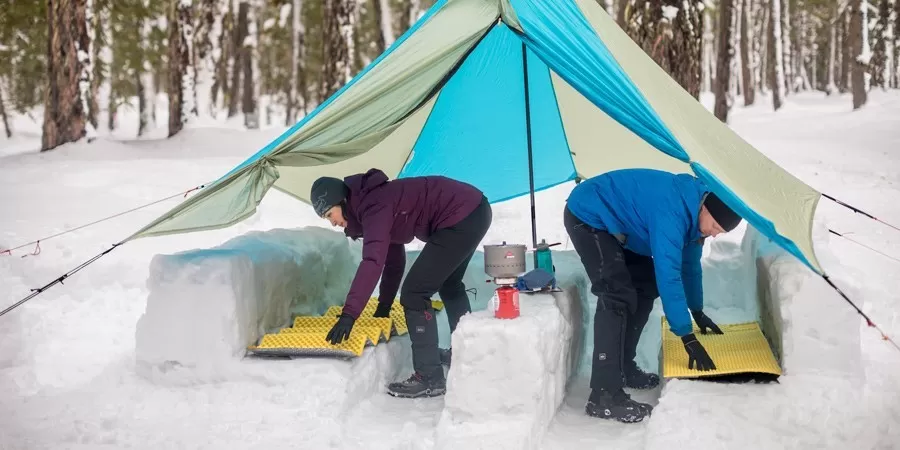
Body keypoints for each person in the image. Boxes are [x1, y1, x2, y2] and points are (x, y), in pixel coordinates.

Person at [563, 168, 742, 423]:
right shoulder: (673, 214)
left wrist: (697, 311)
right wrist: (686, 336)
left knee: (646, 284)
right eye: (715, 226)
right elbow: (669, 274)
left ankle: (623, 366)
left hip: (623, 222)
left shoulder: (694, 220)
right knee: (616, 294)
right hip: (588, 213)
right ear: (705, 209)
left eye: (720, 232)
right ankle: (603, 395)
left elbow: (689, 267)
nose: (714, 233)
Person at [310, 168, 492, 398]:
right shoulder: (373, 204)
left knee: (414, 294)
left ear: (342, 201)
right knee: (449, 282)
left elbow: (372, 261)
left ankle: (429, 377)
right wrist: (384, 307)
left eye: (329, 215)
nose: (332, 223)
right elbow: (393, 261)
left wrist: (349, 315)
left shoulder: (374, 206)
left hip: (461, 216)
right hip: (474, 210)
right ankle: (467, 351)